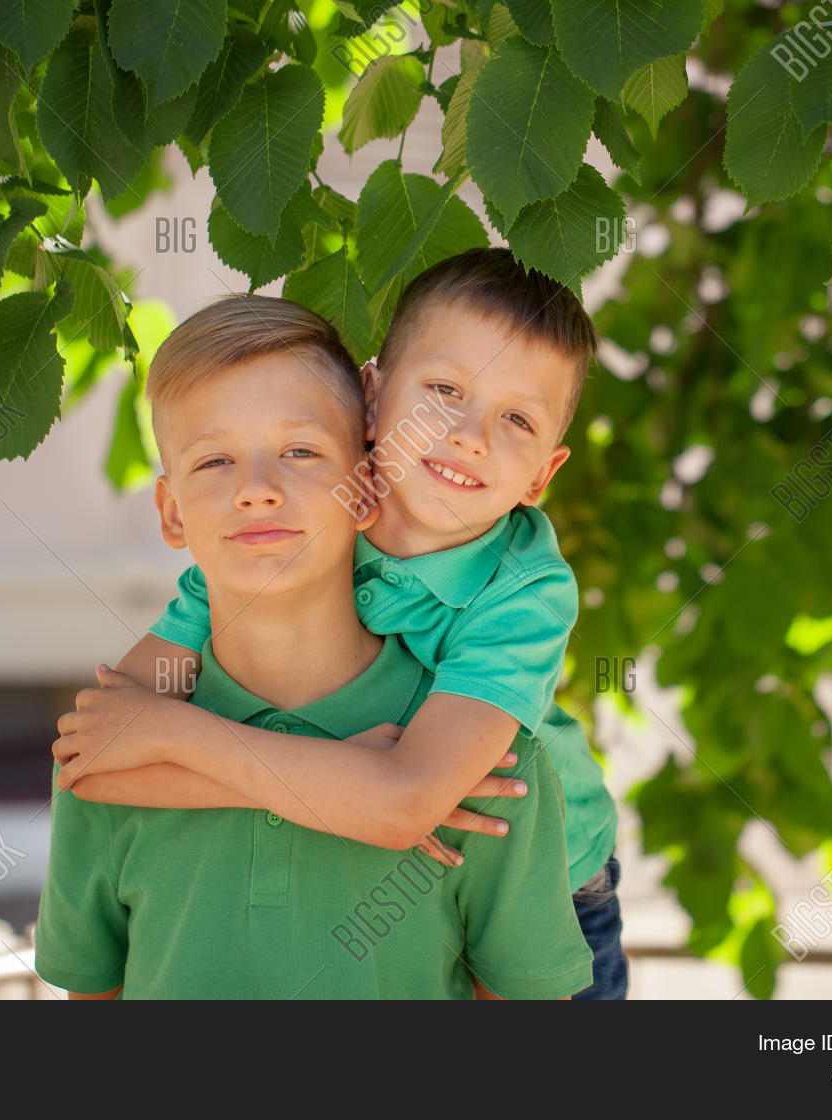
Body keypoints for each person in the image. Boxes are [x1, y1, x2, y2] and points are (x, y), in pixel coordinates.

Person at [55, 248, 625, 999]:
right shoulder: (311, 515)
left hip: (545, 872)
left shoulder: (524, 591)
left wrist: (182, 737)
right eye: (445, 390)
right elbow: (100, 752)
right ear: (371, 397)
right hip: (392, 814)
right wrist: (331, 780)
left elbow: (405, 803)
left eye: (516, 418)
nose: (470, 435)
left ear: (542, 477)